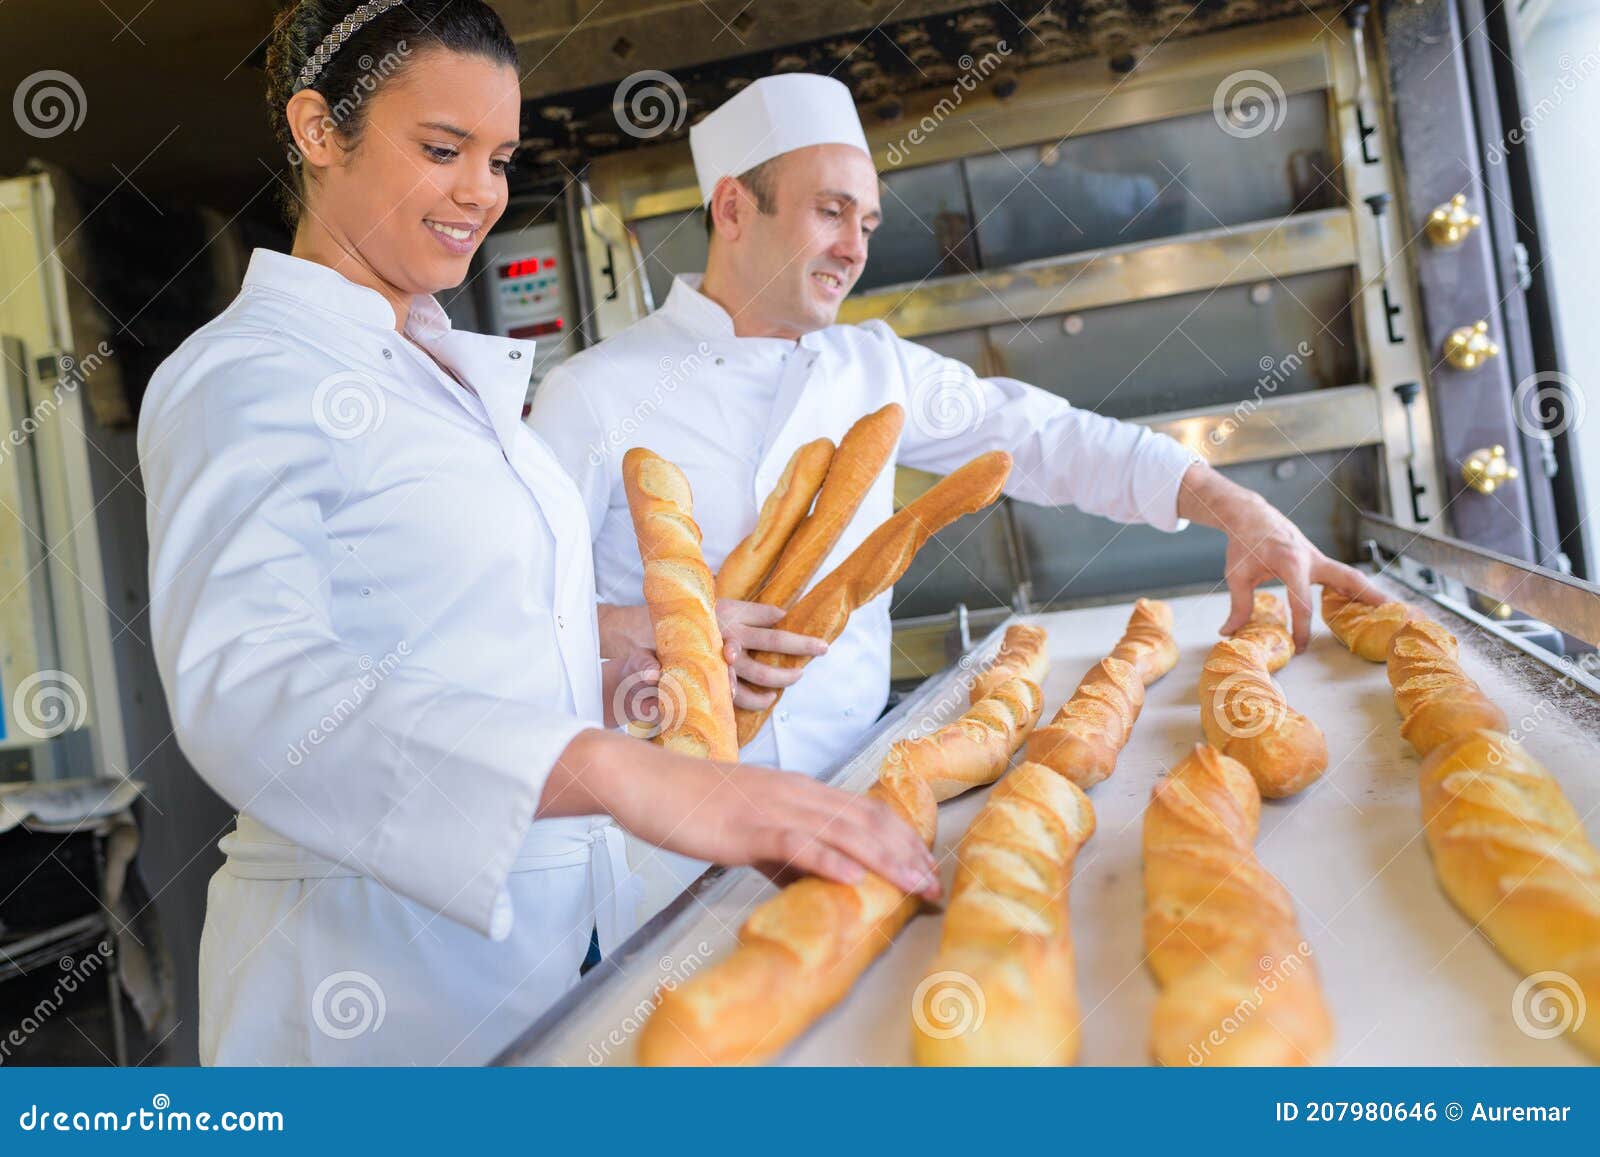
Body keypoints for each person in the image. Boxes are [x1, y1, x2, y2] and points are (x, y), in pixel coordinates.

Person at [138, 2, 937, 1067]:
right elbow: (249, 690)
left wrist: (641, 645)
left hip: (558, 945)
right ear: (319, 129)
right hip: (368, 985)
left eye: (501, 158)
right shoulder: (245, 374)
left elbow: (465, 630)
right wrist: (622, 773)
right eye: (442, 149)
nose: (482, 191)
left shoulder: (438, 370)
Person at [529, 72, 1386, 779]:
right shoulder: (593, 394)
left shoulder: (874, 368)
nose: (855, 248)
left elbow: (1046, 439)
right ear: (732, 209)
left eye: (867, 223)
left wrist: (1238, 510)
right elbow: (505, 618)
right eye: (830, 211)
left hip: (857, 793)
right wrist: (655, 629)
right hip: (661, 835)